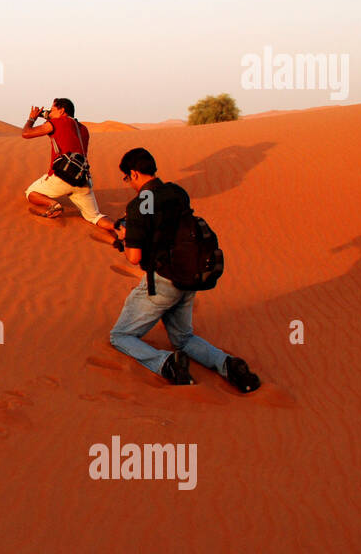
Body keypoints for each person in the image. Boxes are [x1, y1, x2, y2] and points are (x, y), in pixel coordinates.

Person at [109, 147, 260, 390]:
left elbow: (134, 257)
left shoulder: (138, 205)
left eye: (127, 178)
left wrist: (127, 236)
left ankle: (166, 363)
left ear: (135, 173)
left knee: (121, 336)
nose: (128, 183)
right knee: (183, 338)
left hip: (163, 281)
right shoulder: (177, 192)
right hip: (189, 275)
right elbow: (165, 227)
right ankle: (227, 364)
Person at [21, 99, 117, 239]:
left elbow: (26, 133)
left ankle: (53, 204)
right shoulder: (83, 129)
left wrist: (32, 118)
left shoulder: (57, 123)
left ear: (62, 110)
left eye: (53, 109)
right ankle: (122, 229)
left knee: (30, 192)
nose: (50, 112)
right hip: (82, 179)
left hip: (61, 176)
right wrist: (48, 115)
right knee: (95, 216)